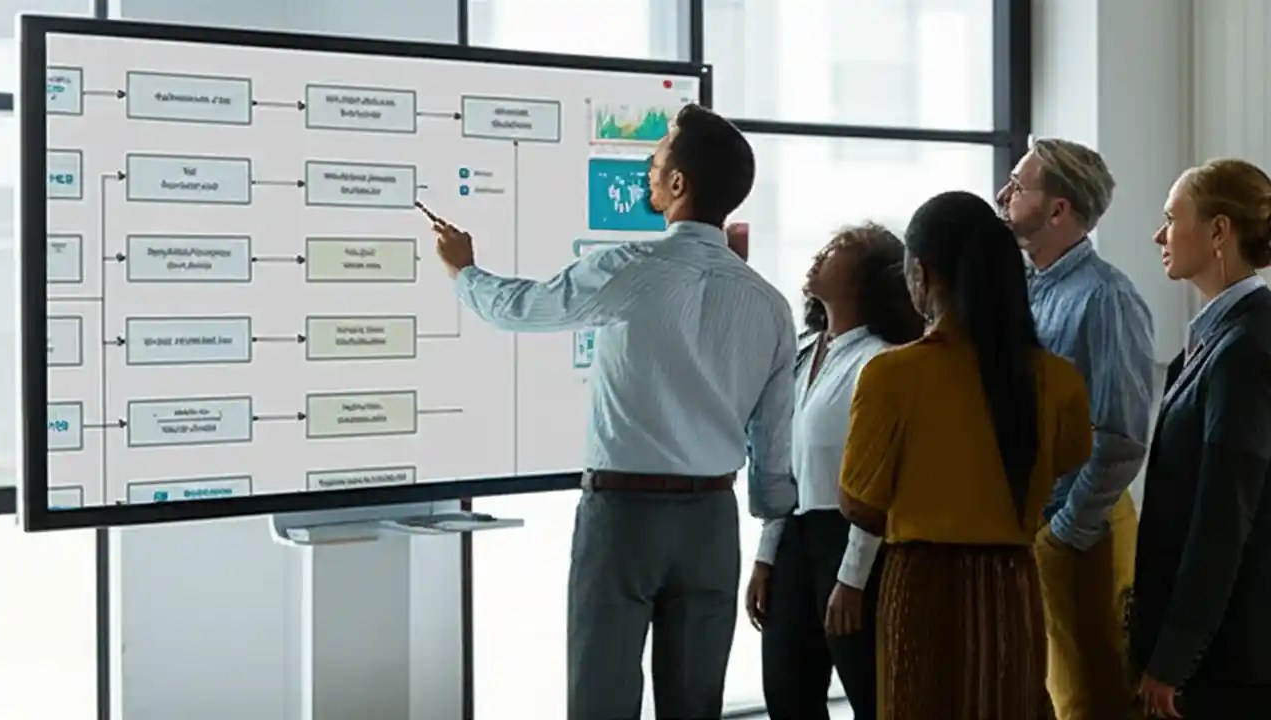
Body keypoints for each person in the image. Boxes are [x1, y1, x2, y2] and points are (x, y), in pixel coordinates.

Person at [431, 103, 798, 720]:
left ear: (678, 184)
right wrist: (769, 525)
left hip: (624, 518)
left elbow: (521, 308)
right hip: (712, 522)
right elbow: (772, 454)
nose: (647, 170)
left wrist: (463, 271)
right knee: (696, 705)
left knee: (601, 700)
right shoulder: (771, 306)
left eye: (655, 161)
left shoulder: (630, 268)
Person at [838, 190, 1093, 720]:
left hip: (921, 588)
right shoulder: (1055, 378)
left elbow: (860, 502)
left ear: (921, 276)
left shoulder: (893, 376)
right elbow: (1067, 460)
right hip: (1011, 587)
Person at [997, 138, 1155, 720]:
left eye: (1018, 185)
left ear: (1058, 209)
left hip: (1082, 528)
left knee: (1095, 696)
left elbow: (1122, 433)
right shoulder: (1020, 290)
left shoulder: (1106, 297)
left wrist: (1065, 531)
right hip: (1032, 525)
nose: (1003, 195)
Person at [744, 223, 923, 720]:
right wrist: (767, 556)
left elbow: (880, 481)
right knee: (787, 692)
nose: (819, 256)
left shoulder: (880, 362)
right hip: (795, 537)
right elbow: (782, 460)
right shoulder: (803, 352)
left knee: (870, 693)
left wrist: (852, 578)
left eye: (836, 250)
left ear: (866, 278)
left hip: (852, 541)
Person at [1131, 158, 1271, 719]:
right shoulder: (1222, 339)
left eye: (1171, 217)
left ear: (1219, 231)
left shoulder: (1244, 349)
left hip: (1232, 656)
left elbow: (1222, 515)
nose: (1159, 234)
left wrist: (1174, 659)